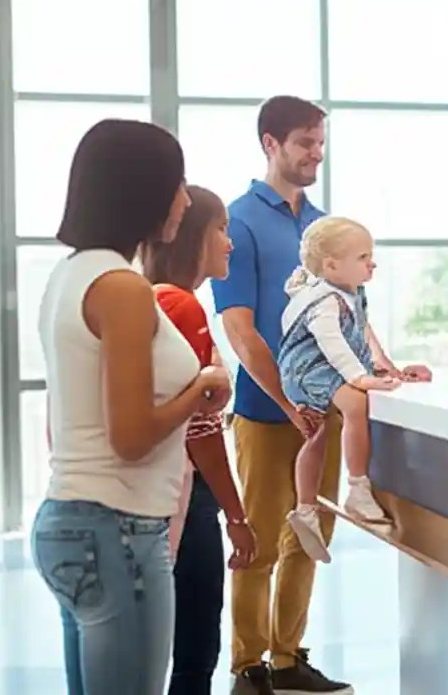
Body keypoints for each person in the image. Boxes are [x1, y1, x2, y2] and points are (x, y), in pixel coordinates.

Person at [32, 119, 231, 695]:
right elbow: (132, 436)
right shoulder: (122, 288)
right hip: (117, 528)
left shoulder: (71, 274)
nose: (185, 201)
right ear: (143, 190)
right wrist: (202, 387)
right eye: (178, 185)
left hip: (72, 522)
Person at [210, 95, 345, 694]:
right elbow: (240, 329)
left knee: (309, 538)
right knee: (259, 542)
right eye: (305, 142)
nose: (317, 153)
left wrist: (384, 368)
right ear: (271, 143)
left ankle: (287, 660)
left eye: (321, 142)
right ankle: (248, 665)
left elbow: (344, 317)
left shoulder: (324, 228)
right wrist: (290, 405)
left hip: (324, 412)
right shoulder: (239, 221)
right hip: (267, 413)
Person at [142, 184, 259, 694]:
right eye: (221, 229)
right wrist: (237, 516)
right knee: (195, 649)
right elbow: (202, 432)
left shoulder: (149, 299)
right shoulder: (180, 306)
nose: (230, 243)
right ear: (192, 236)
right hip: (185, 498)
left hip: (158, 491)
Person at [280, 216, 427, 563]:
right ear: (331, 265)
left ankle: (305, 508)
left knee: (316, 436)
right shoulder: (324, 300)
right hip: (309, 367)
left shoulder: (351, 293)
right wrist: (359, 378)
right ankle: (358, 489)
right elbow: (332, 343)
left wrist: (386, 368)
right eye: (363, 257)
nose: (372, 263)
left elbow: (362, 333)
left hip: (325, 365)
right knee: (356, 405)